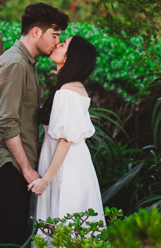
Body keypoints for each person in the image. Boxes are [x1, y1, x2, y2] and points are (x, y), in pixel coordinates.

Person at [0, 3, 69, 248]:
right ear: (37, 32)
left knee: (17, 235)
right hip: (7, 164)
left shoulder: (26, 62)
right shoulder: (16, 64)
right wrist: (27, 169)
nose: (57, 41)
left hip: (13, 163)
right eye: (55, 34)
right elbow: (6, 122)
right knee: (11, 241)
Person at [29, 34, 105, 236]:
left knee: (62, 227)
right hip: (71, 166)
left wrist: (45, 180)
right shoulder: (74, 87)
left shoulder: (67, 91)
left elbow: (65, 140)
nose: (57, 44)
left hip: (63, 168)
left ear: (72, 57)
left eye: (63, 45)